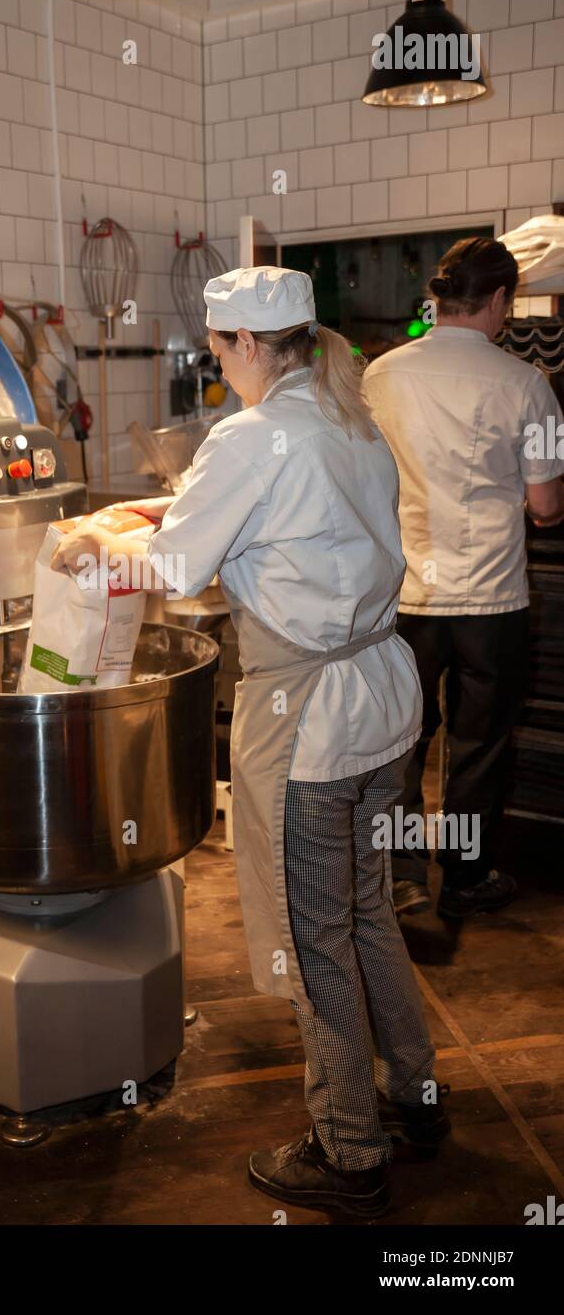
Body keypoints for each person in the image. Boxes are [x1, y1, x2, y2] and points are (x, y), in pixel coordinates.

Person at [52, 267, 445, 1218]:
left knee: (315, 942)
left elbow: (181, 566)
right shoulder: (351, 418)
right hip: (387, 696)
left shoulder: (254, 435)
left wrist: (90, 545)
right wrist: (156, 517)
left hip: (314, 723)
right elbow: (264, 526)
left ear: (243, 346)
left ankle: (350, 1151)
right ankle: (415, 1095)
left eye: (220, 350)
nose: (220, 367)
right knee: (365, 913)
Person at [365, 238, 564, 920]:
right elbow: (545, 506)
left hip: (405, 596)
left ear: (442, 296)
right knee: (478, 746)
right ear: (501, 300)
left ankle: (400, 877)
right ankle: (468, 873)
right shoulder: (528, 385)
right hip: (492, 598)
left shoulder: (380, 377)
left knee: (400, 739)